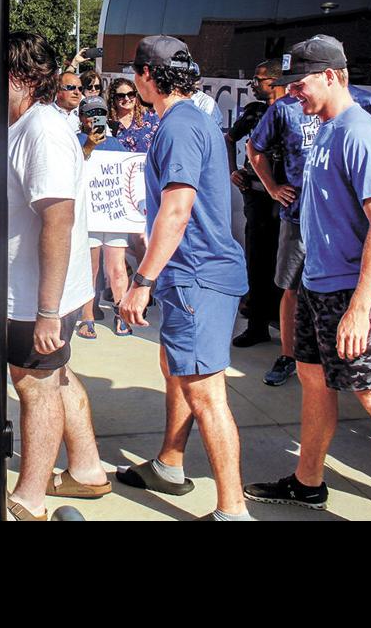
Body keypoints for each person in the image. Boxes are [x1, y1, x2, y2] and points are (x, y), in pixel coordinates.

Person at [242, 35, 371, 521]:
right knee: (312, 378)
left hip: (356, 289)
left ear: (334, 76)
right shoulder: (324, 126)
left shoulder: (360, 132)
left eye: (300, 83)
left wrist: (361, 307)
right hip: (319, 284)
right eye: (289, 84)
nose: (293, 92)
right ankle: (307, 482)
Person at [115, 36, 252, 521]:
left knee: (205, 391)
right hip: (195, 273)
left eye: (136, 73)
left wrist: (142, 280)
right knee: (177, 369)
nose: (133, 81)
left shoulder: (179, 124)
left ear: (148, 76)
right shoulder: (191, 118)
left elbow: (177, 208)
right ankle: (170, 465)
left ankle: (232, 510)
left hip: (197, 275)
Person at [2, 33, 111, 520]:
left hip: (38, 296)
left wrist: (47, 311)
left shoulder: (41, 129)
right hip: (43, 291)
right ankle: (87, 470)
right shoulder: (33, 123)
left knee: (35, 386)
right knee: (56, 376)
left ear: (21, 77)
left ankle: (30, 498)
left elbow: (58, 218)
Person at [248, 57, 322, 387]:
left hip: (339, 222)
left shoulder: (360, 103)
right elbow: (255, 147)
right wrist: (273, 187)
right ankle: (288, 355)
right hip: (298, 216)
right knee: (290, 287)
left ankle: (327, 356)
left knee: (332, 291)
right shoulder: (284, 109)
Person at [229, 58, 283, 349]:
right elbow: (232, 137)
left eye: (258, 79)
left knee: (284, 262)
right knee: (257, 260)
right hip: (257, 196)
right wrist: (234, 169)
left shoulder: (294, 112)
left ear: (274, 81)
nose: (253, 84)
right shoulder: (255, 112)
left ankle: (282, 324)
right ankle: (257, 324)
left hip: (286, 200)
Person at [73, 94, 130, 339]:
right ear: (82, 118)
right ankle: (87, 316)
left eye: (101, 113)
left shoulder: (117, 144)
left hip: (113, 214)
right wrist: (89, 146)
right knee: (90, 267)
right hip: (88, 215)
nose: (96, 118)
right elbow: (71, 169)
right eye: (91, 113)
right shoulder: (74, 141)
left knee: (117, 267)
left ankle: (122, 313)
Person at [108, 77, 159, 153]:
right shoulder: (107, 122)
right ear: (114, 99)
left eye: (131, 94)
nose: (126, 99)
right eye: (121, 96)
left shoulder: (151, 119)